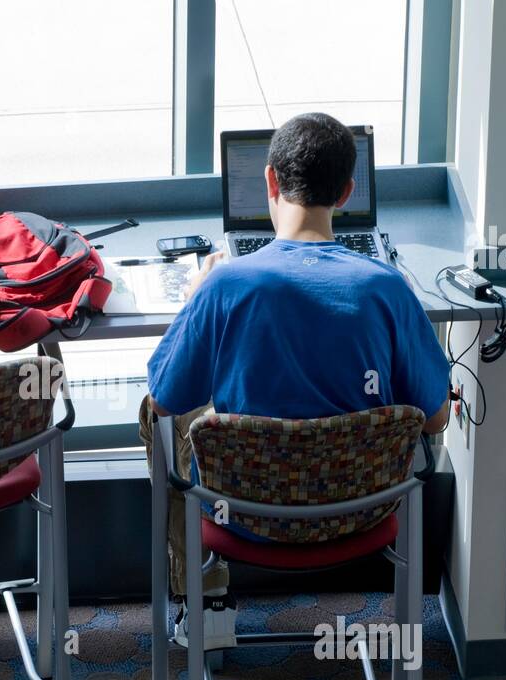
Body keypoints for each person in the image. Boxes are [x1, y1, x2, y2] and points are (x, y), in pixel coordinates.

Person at [139, 112, 450, 642]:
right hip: (361, 509)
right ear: (349, 192)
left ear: (269, 182)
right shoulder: (388, 288)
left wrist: (195, 301)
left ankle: (204, 598)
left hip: (245, 512)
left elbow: (167, 398)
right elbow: (438, 415)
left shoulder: (226, 285)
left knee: (159, 417)